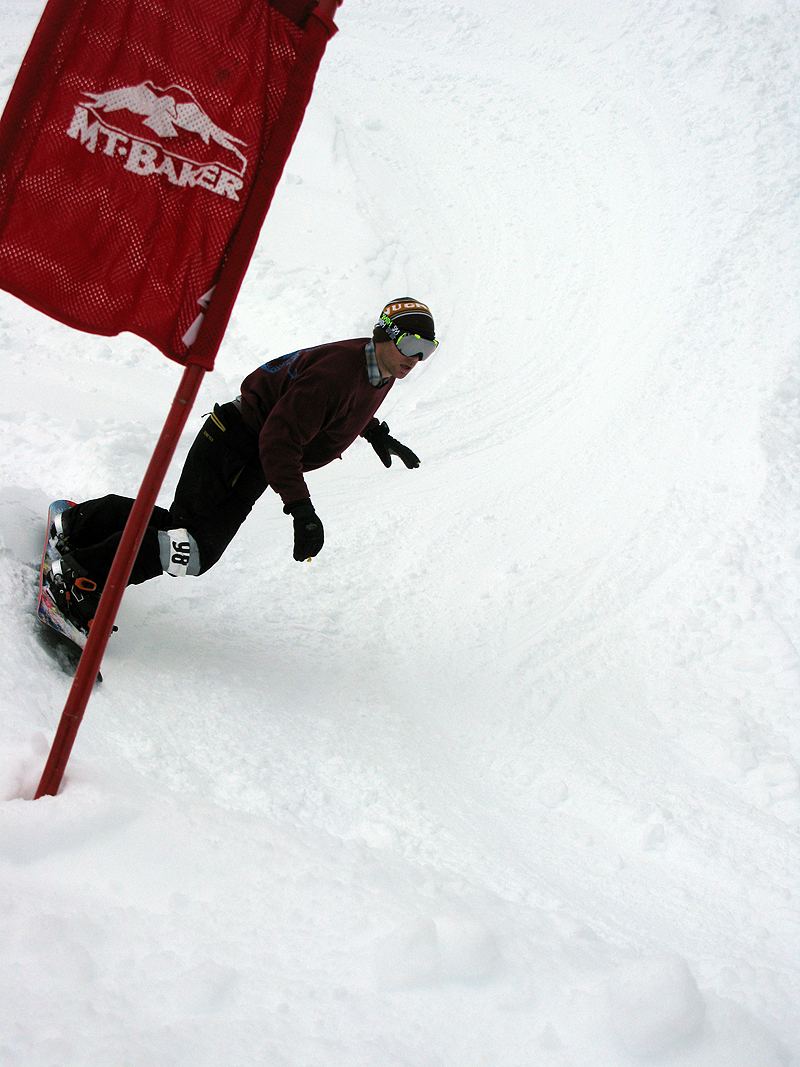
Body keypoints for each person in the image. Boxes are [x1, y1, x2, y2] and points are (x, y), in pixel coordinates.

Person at [47, 297, 439, 634]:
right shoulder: (339, 374)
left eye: (428, 348)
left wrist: (371, 431)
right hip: (239, 448)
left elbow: (330, 407)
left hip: (239, 446)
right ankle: (82, 578)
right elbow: (280, 440)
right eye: (411, 343)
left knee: (179, 531)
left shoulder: (377, 368)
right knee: (194, 548)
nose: (417, 358)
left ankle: (83, 526)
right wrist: (300, 509)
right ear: (385, 334)